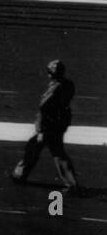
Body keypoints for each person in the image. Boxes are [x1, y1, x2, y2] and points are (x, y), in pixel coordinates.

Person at [12, 60, 79, 192]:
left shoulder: (55, 89)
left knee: (43, 150)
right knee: (50, 150)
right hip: (60, 123)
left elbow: (44, 108)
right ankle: (20, 174)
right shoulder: (68, 84)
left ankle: (20, 174)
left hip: (49, 126)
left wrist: (41, 130)